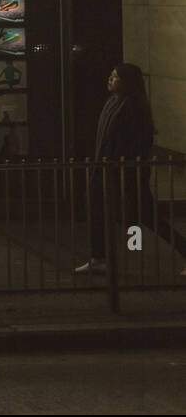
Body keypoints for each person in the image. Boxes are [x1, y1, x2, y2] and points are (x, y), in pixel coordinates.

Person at [76, 63, 186, 276]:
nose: (110, 79)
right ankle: (98, 258)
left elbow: (135, 143)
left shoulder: (132, 107)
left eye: (115, 76)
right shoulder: (114, 103)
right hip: (108, 171)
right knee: (98, 211)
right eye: (111, 75)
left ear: (127, 82)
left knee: (150, 218)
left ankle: (99, 258)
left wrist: (123, 169)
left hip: (125, 175)